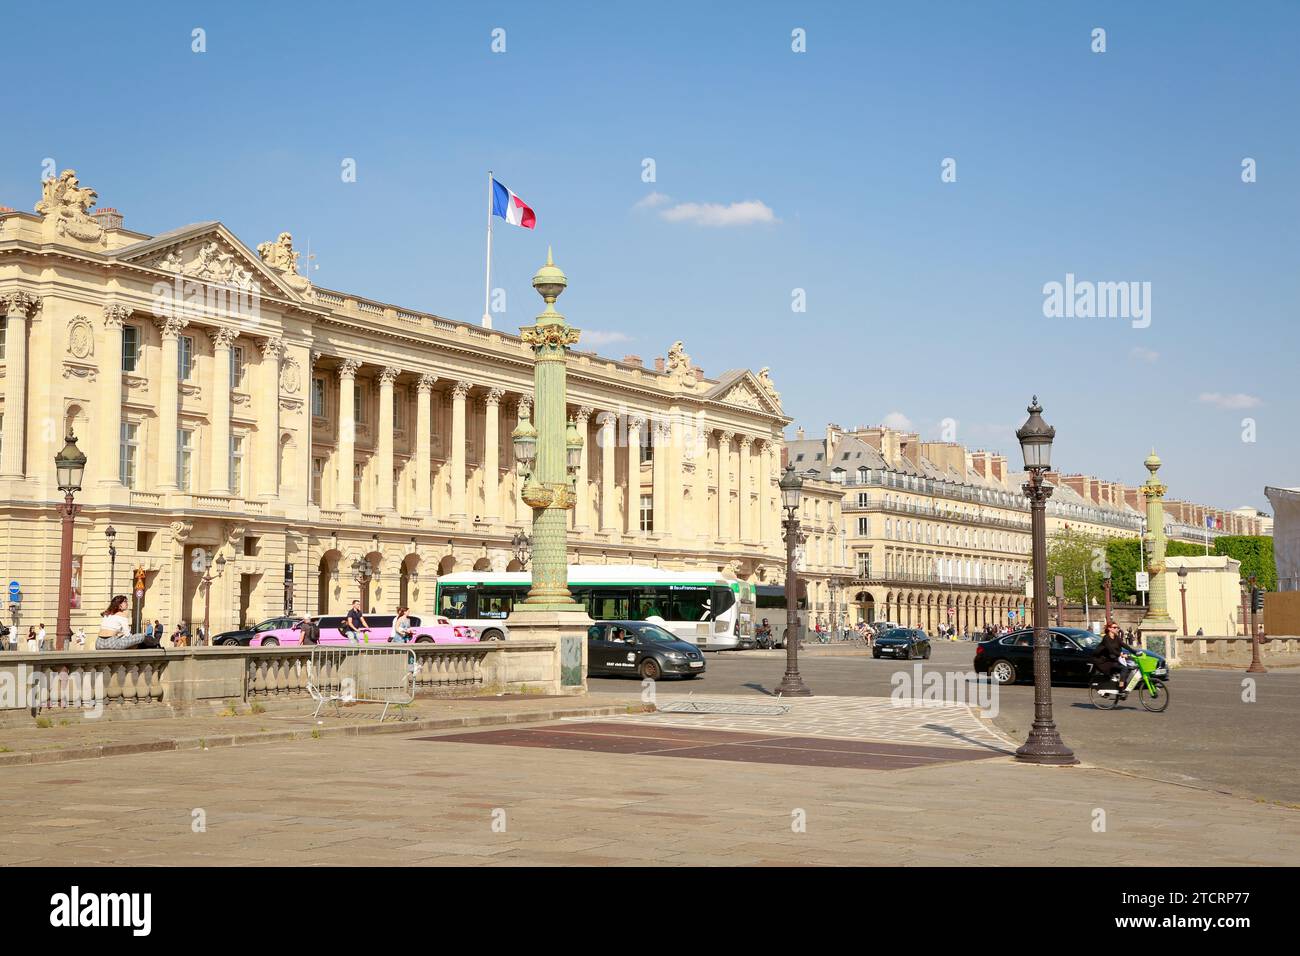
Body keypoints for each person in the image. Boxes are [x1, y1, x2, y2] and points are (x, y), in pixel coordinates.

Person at [1091, 621, 1129, 689]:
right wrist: (1121, 654)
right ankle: (1120, 687)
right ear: (1109, 629)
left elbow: (1125, 645)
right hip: (1102, 661)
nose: (1117, 629)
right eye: (1114, 627)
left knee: (1126, 667)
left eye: (1117, 627)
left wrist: (1136, 652)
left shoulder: (1116, 637)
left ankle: (1119, 685)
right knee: (1124, 668)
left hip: (1110, 659)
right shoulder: (1106, 638)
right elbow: (1111, 650)